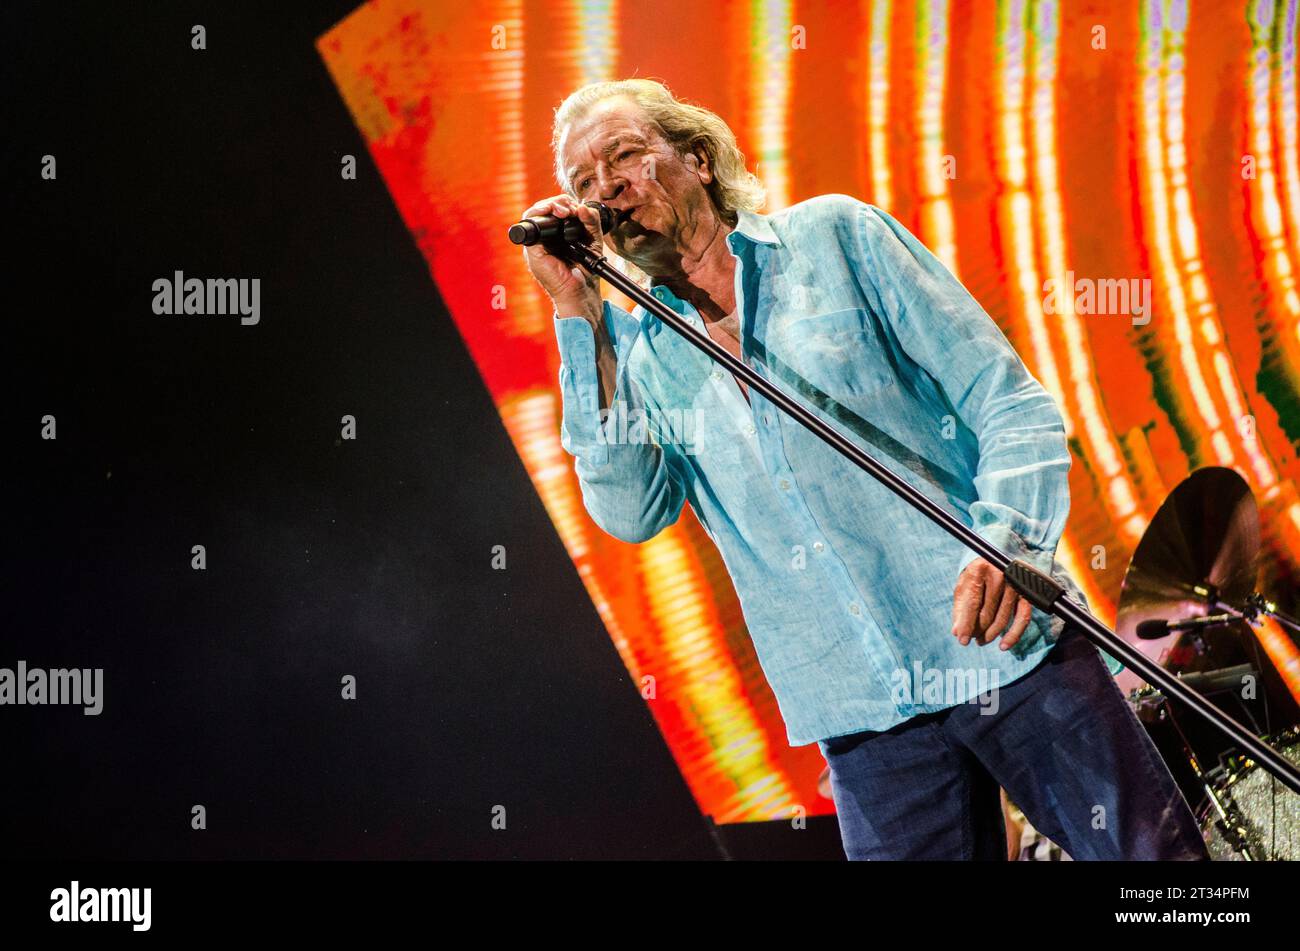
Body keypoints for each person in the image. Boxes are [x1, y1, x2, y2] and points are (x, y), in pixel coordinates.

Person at [522, 78, 1207, 861]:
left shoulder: (837, 239)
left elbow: (1006, 400)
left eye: (624, 155)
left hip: (1003, 643)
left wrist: (1011, 539)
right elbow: (628, 513)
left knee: (1158, 871)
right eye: (582, 183)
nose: (604, 187)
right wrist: (579, 317)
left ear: (699, 159)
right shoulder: (642, 361)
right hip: (860, 709)